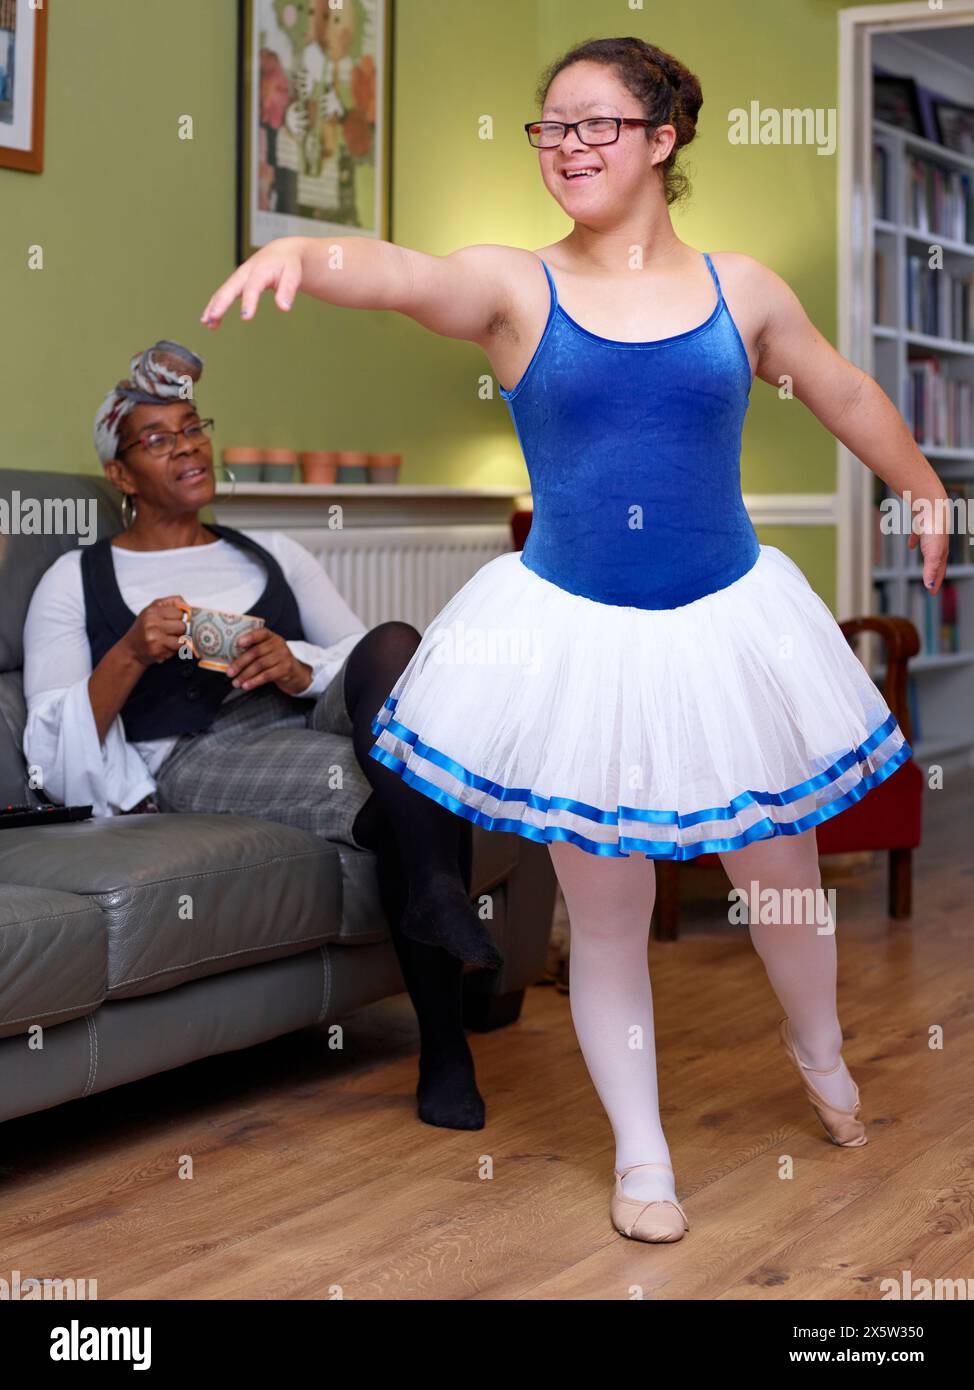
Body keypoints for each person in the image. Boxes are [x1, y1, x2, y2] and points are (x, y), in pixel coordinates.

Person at [199, 37, 949, 1244]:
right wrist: (307, 250)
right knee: (602, 913)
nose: (567, 149)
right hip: (574, 637)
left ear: (661, 139)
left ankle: (817, 1052)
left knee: (783, 883)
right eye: (549, 128)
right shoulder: (512, 285)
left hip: (725, 619)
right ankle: (641, 1157)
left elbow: (841, 390)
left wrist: (920, 490)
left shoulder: (741, 288)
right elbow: (400, 273)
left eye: (595, 125)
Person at [21, 339, 506, 1134]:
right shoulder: (74, 580)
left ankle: (435, 894)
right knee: (404, 788)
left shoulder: (272, 552)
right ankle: (447, 1047)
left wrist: (295, 666)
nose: (188, 447)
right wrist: (131, 651)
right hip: (200, 749)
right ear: (119, 474)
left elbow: (362, 666)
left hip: (296, 712)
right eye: (158, 437)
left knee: (392, 640)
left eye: (193, 427)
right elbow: (50, 745)